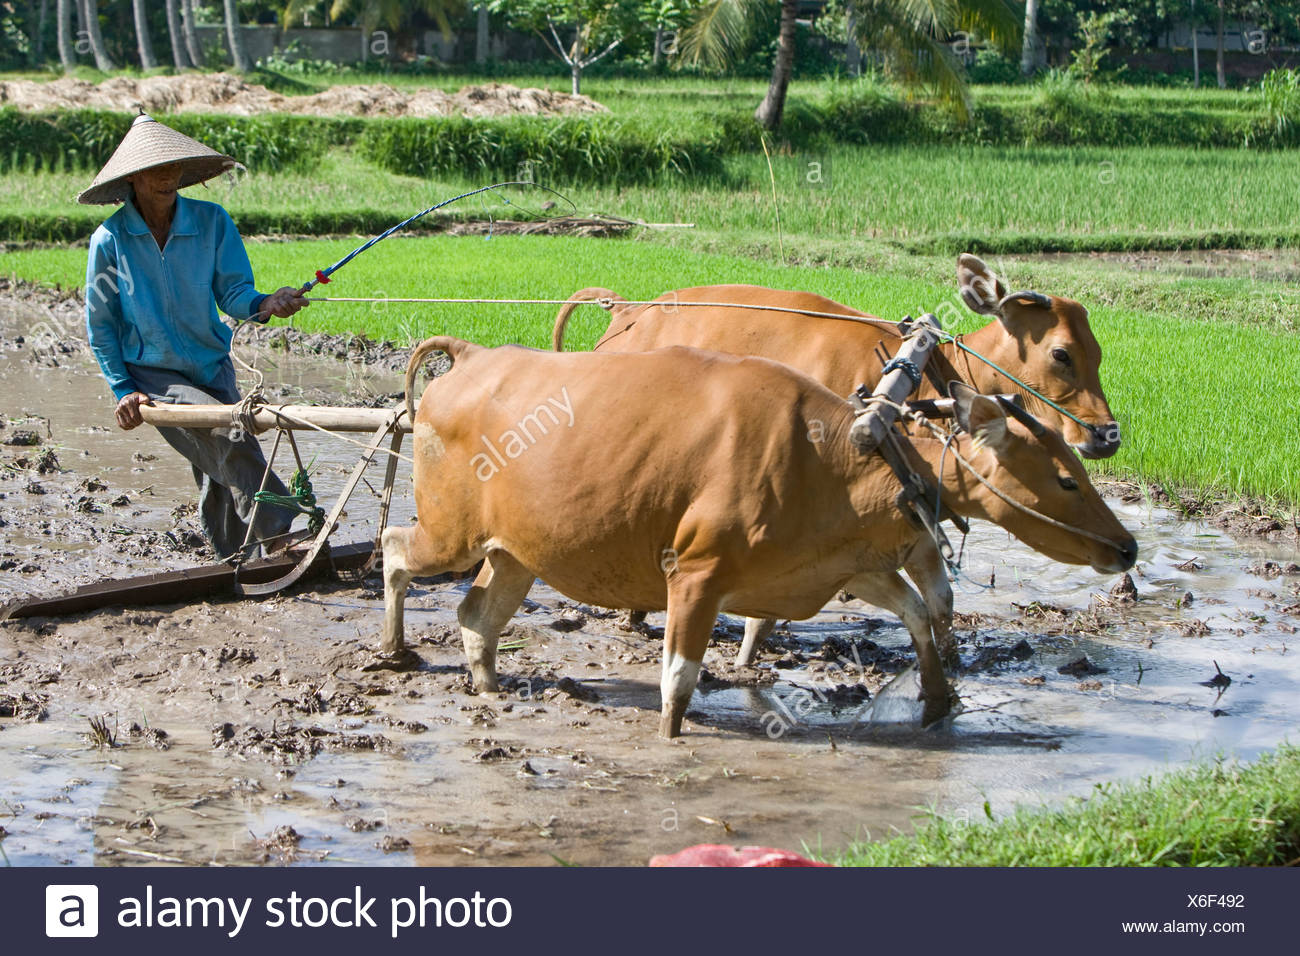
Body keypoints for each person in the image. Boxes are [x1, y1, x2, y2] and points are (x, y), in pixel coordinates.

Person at [80, 112, 310, 559]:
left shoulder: (211, 222)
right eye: (155, 169)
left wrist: (265, 302)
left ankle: (233, 563)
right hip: (154, 377)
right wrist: (124, 389)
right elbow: (101, 324)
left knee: (216, 469)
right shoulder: (110, 241)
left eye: (174, 167)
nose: (168, 177)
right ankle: (280, 532)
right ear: (133, 178)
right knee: (231, 436)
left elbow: (234, 290)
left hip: (211, 364)